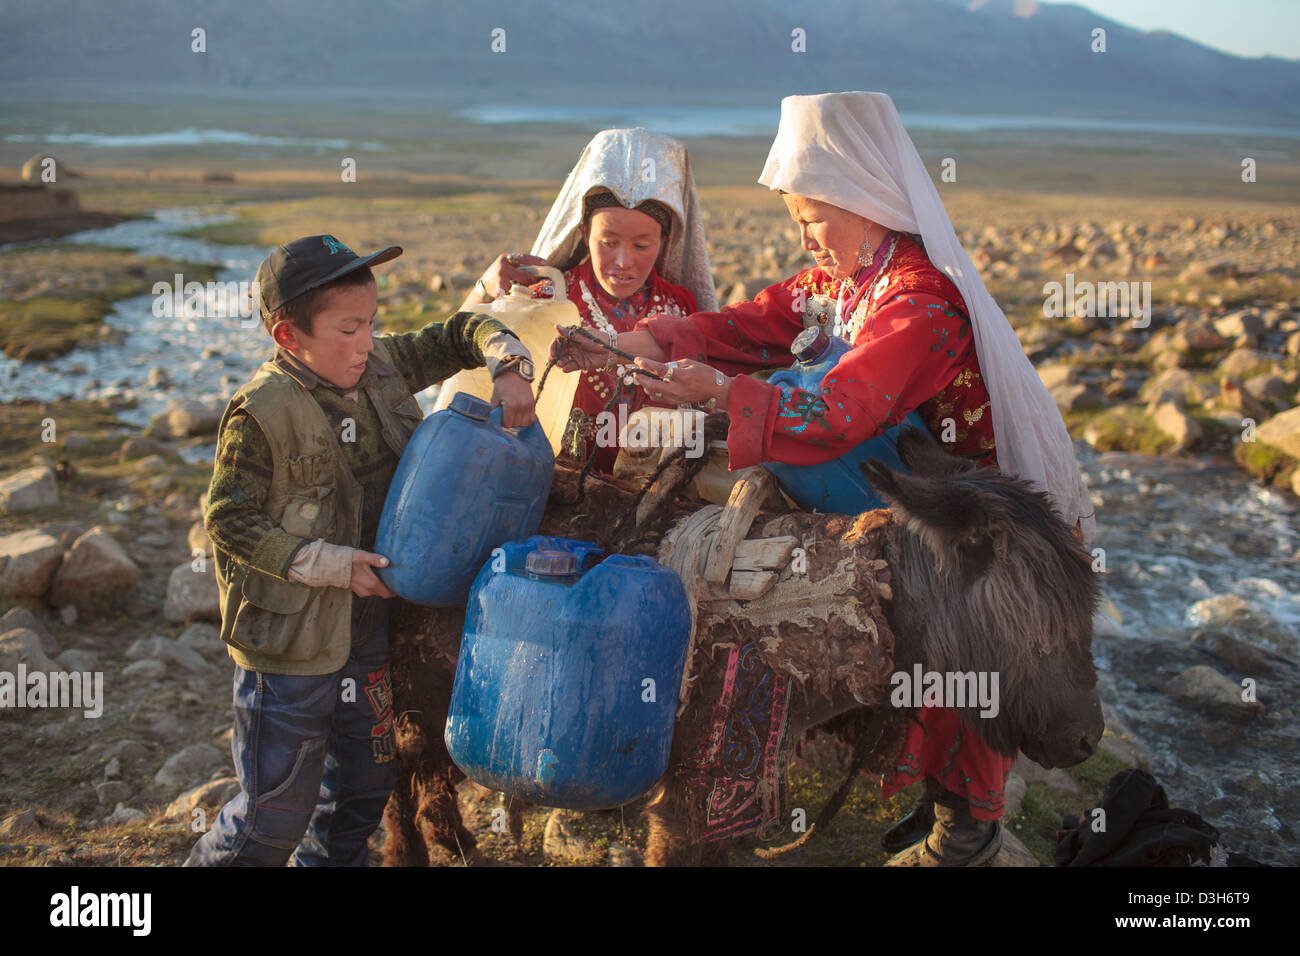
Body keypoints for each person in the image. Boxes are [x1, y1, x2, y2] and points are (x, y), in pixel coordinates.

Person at [554, 92, 1096, 866]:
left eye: (814, 218)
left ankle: (966, 833)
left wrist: (719, 393)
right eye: (797, 221)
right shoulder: (842, 285)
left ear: (865, 199)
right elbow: (746, 326)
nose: (805, 239)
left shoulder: (917, 303)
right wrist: (631, 340)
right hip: (896, 489)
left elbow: (843, 410)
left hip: (968, 522)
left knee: (966, 658)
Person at [186, 234, 535, 866]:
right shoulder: (260, 414)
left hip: (366, 632)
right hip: (291, 645)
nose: (368, 341)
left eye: (371, 323)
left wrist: (508, 363)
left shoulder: (380, 365)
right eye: (349, 329)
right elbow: (227, 520)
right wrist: (333, 565)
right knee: (271, 816)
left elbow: (459, 333)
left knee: (357, 795)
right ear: (288, 336)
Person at [461, 127, 717, 474]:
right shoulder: (550, 298)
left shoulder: (683, 308)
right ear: (583, 233)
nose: (624, 261)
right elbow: (459, 354)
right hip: (561, 482)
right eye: (608, 241)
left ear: (665, 241)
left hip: (652, 487)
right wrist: (483, 287)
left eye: (642, 245)